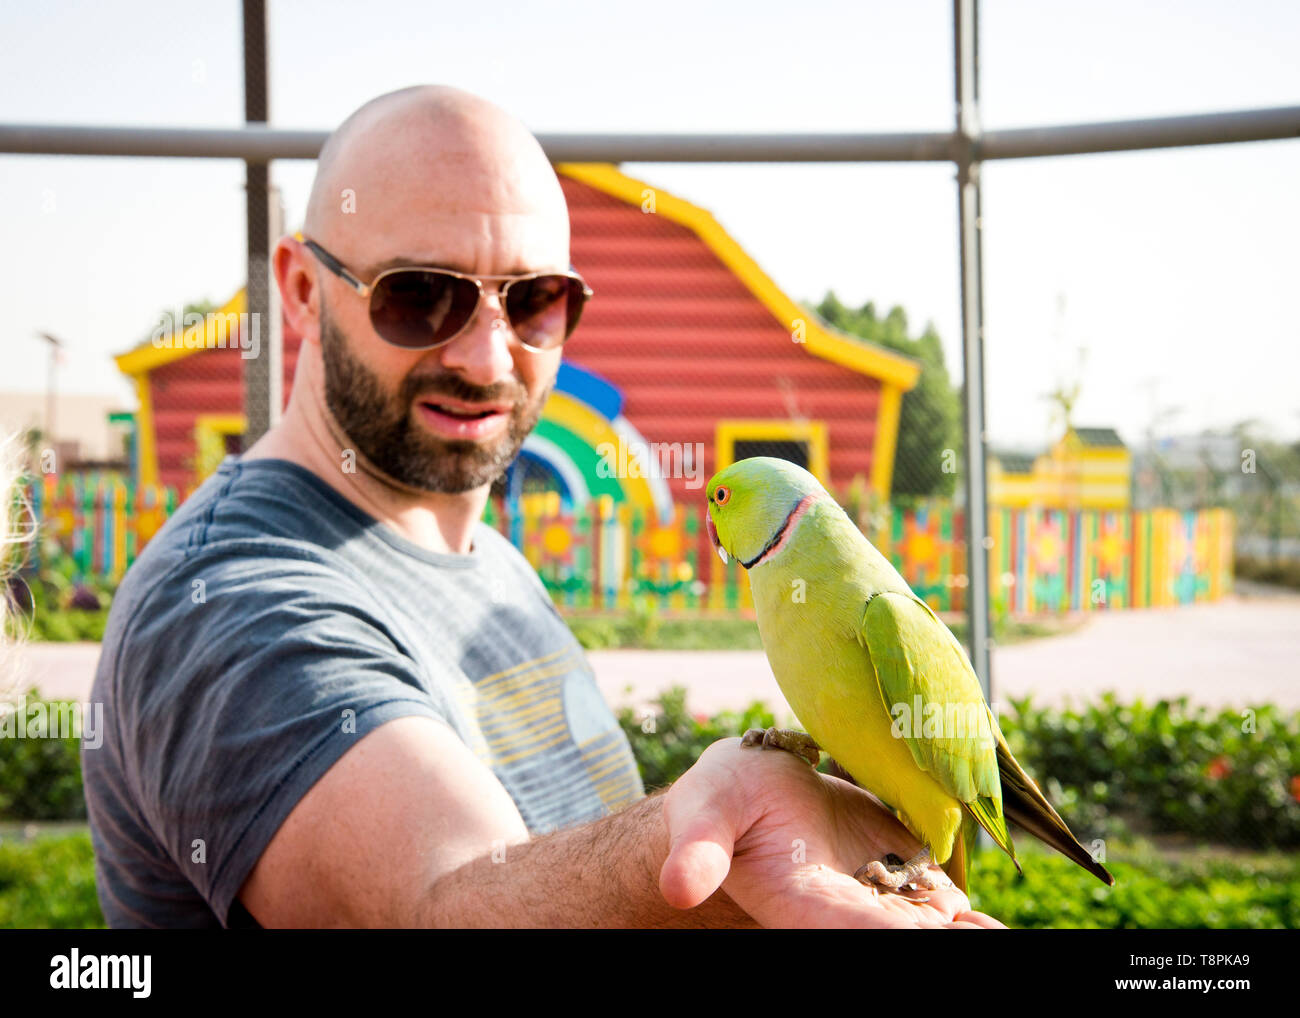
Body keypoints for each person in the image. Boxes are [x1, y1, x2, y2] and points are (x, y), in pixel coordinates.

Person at [82, 85, 1002, 929]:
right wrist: (689, 847)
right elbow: (432, 906)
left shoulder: (489, 558)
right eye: (420, 294)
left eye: (537, 301)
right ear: (297, 290)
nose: (488, 358)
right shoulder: (228, 597)